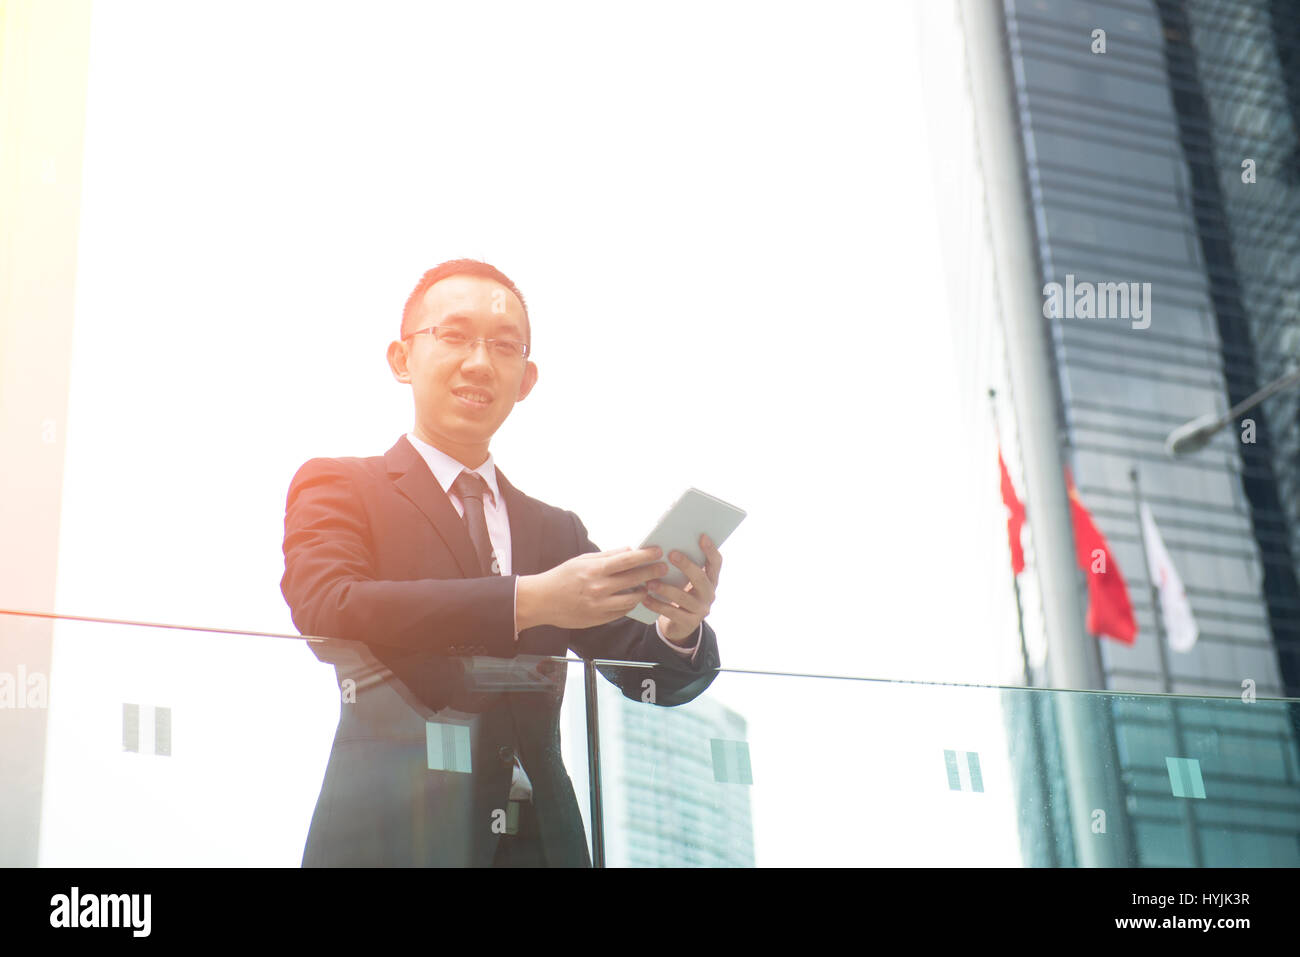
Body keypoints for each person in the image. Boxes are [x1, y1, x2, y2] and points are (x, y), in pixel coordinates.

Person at [279, 258, 724, 867]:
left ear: (527, 378)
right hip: (392, 837)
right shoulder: (340, 486)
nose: (480, 361)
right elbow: (328, 609)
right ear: (401, 359)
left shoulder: (553, 529)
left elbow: (647, 673)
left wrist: (678, 626)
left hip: (539, 846)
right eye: (455, 336)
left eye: (504, 346)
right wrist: (530, 601)